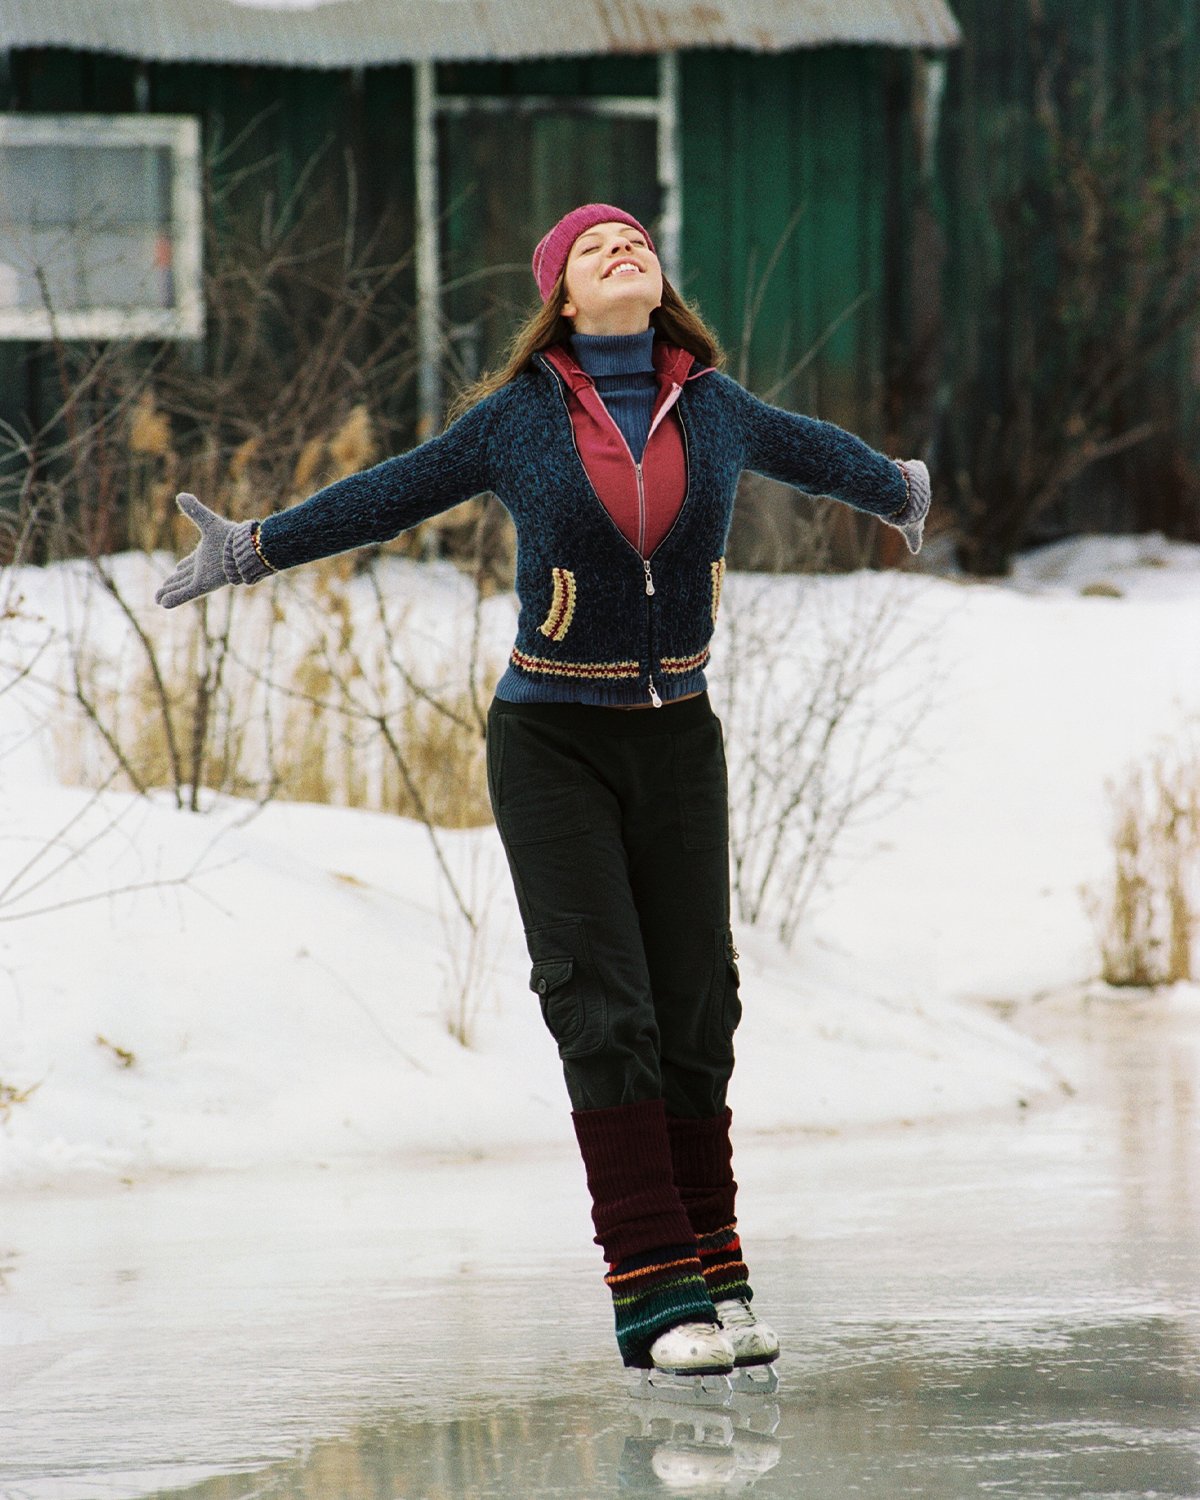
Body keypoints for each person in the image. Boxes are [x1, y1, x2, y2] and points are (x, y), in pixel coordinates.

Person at [156, 202, 931, 1379]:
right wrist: (252, 546)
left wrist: (896, 489)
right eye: (591, 248)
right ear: (563, 297)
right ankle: (653, 1296)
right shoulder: (520, 418)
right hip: (551, 740)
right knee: (602, 1005)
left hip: (679, 737)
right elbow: (392, 489)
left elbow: (815, 450)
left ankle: (717, 1273)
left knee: (698, 1011)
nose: (622, 249)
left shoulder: (711, 405)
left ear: (657, 282)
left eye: (635, 240)